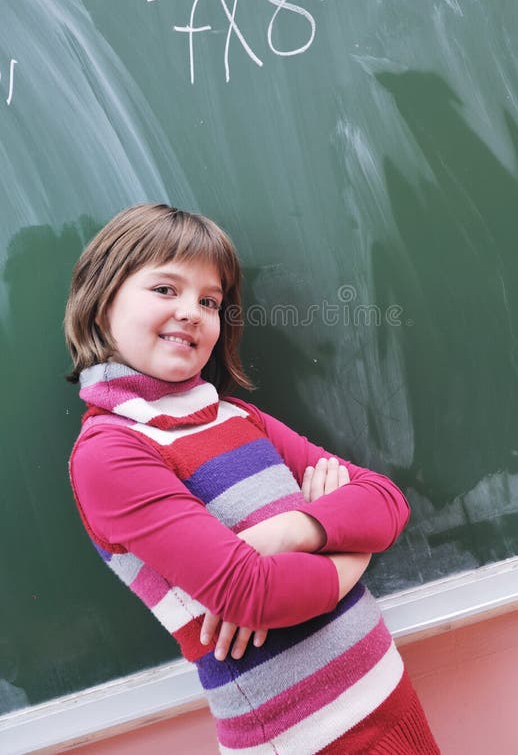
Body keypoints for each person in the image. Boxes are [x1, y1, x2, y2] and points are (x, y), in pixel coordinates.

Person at [65, 203, 439, 754]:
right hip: (304, 740)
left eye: (209, 301)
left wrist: (293, 530)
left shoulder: (237, 417)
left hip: (389, 695)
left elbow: (386, 500)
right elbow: (252, 593)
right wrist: (355, 550)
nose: (192, 312)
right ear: (101, 306)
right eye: (165, 289)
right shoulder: (110, 452)